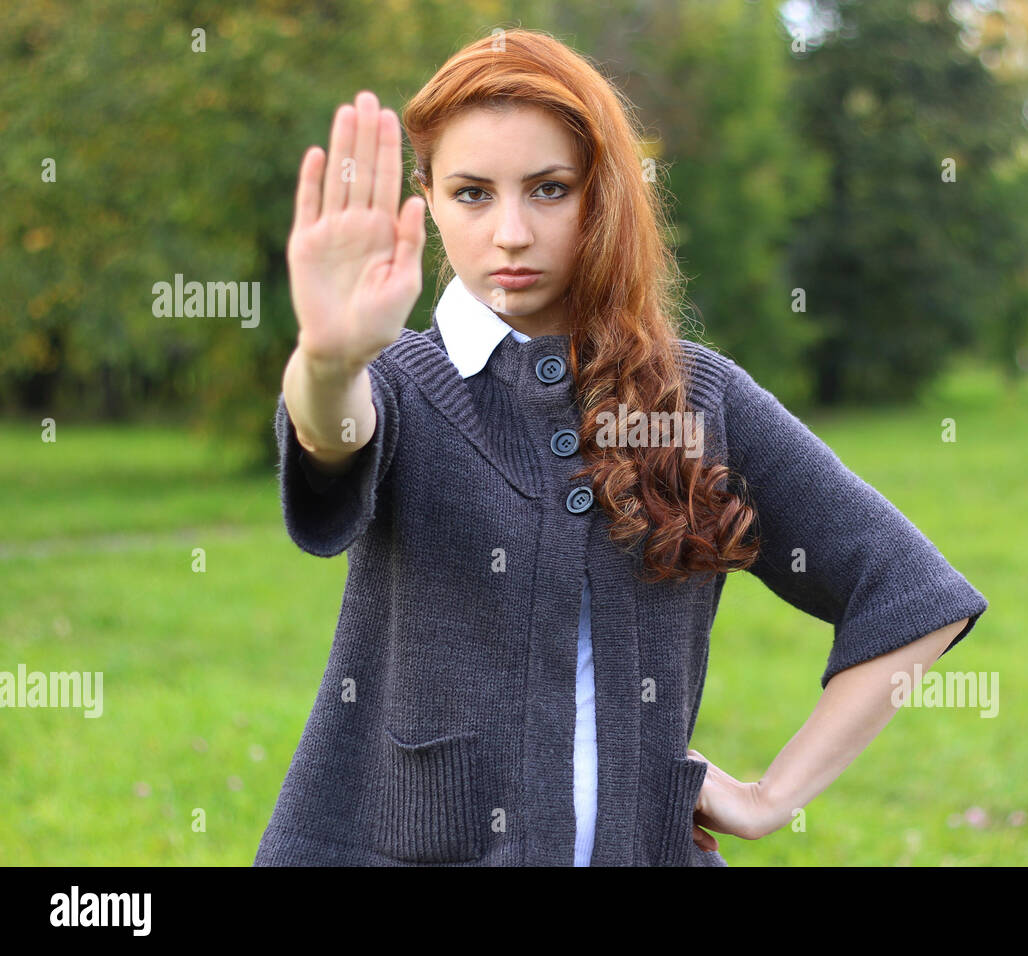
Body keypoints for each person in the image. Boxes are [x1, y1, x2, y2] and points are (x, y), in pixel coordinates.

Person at [256, 28, 989, 867]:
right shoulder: (396, 383)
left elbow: (912, 594)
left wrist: (769, 798)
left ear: (601, 194)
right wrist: (327, 359)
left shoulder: (699, 396)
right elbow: (334, 432)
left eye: (549, 189)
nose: (511, 234)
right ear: (425, 198)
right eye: (471, 194)